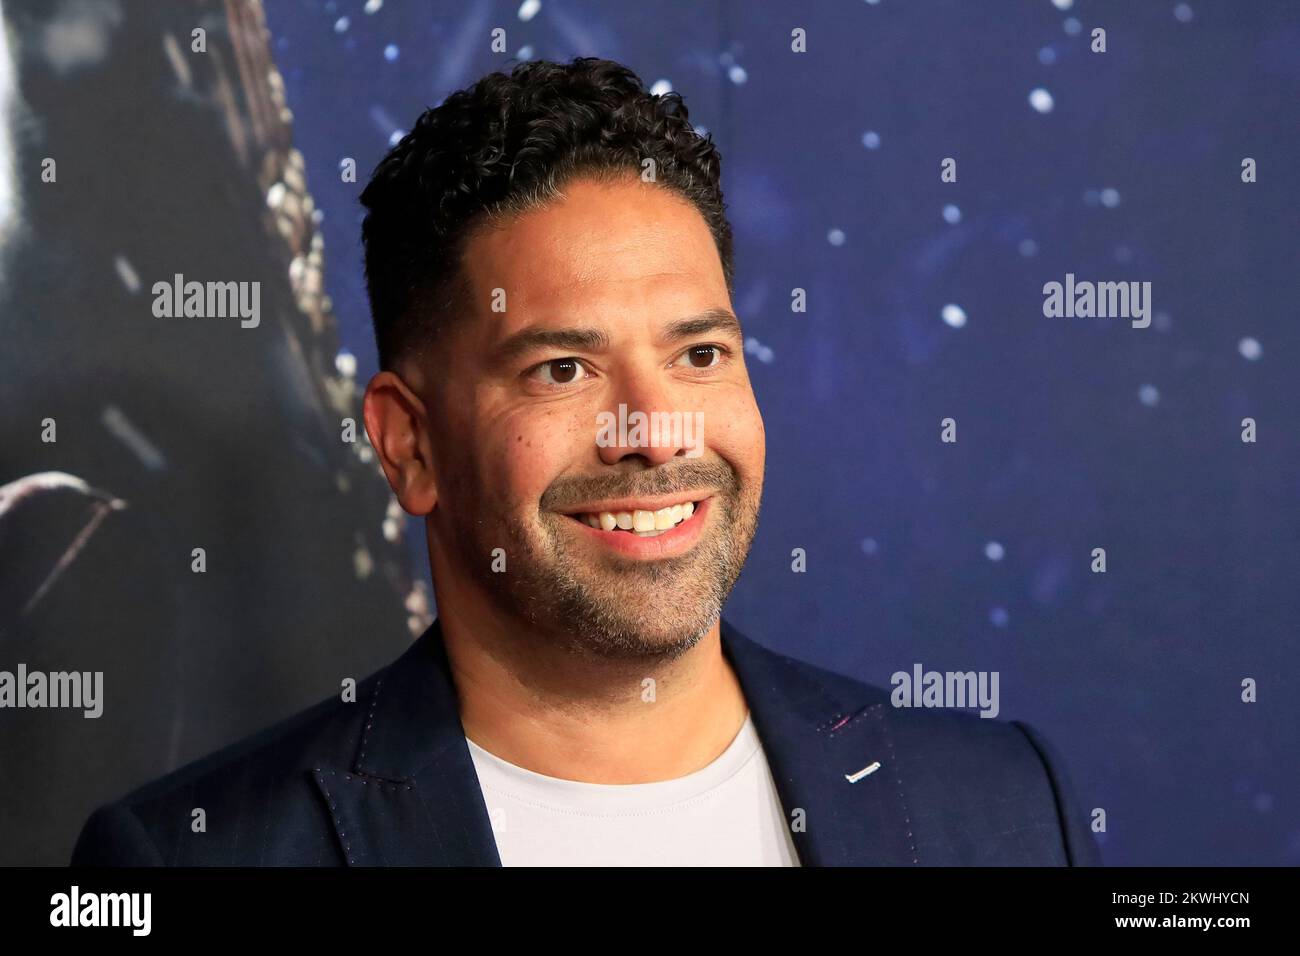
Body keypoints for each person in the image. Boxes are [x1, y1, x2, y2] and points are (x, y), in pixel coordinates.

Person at [72, 57, 1099, 867]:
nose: (655, 430)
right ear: (409, 444)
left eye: (698, 354)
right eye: (563, 368)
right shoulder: (191, 857)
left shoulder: (998, 807)